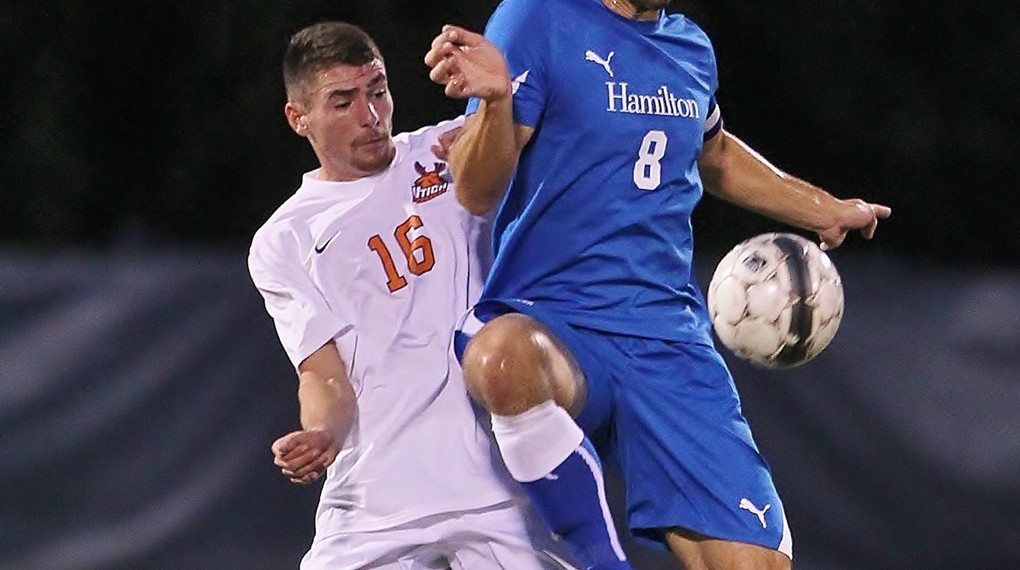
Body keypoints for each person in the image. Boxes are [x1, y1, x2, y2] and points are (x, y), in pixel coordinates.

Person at [424, 1, 892, 569]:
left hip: (667, 338)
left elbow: (714, 151)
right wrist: (496, 103)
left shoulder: (689, 46)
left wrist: (822, 209)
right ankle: (601, 559)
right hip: (555, 317)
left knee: (755, 563)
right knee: (501, 356)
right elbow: (474, 190)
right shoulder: (537, 18)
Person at [248, 21, 578, 570]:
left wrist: (494, 107)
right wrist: (320, 433)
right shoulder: (285, 239)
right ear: (298, 117)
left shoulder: (447, 151)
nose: (370, 115)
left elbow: (560, 130)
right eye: (343, 102)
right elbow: (323, 373)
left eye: (377, 91)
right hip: (376, 495)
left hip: (497, 484)